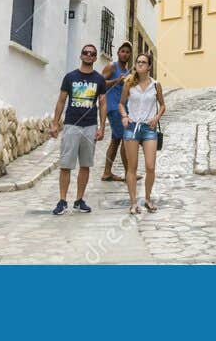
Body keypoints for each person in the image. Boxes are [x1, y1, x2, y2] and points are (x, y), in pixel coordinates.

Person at [51, 43, 108, 215]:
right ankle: (62, 200)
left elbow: (103, 104)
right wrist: (55, 122)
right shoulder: (70, 77)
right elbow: (61, 100)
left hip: (90, 126)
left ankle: (79, 199)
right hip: (71, 124)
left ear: (95, 58)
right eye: (86, 53)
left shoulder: (99, 79)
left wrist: (102, 127)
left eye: (92, 54)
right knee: (66, 165)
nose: (89, 55)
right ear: (81, 55)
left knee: (85, 164)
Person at [119, 52, 166, 213]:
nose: (140, 64)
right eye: (138, 62)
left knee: (150, 166)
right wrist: (124, 116)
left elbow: (163, 105)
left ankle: (147, 198)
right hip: (132, 127)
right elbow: (121, 104)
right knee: (132, 168)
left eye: (143, 62)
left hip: (149, 129)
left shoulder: (155, 85)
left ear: (149, 66)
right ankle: (133, 203)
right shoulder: (129, 83)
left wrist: (157, 117)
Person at [100, 41, 133, 182]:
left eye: (127, 52)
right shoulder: (112, 67)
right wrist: (115, 81)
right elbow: (99, 84)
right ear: (118, 52)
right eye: (123, 51)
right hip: (113, 108)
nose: (125, 54)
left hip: (122, 108)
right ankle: (128, 174)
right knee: (126, 139)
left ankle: (107, 173)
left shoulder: (127, 71)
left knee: (115, 141)